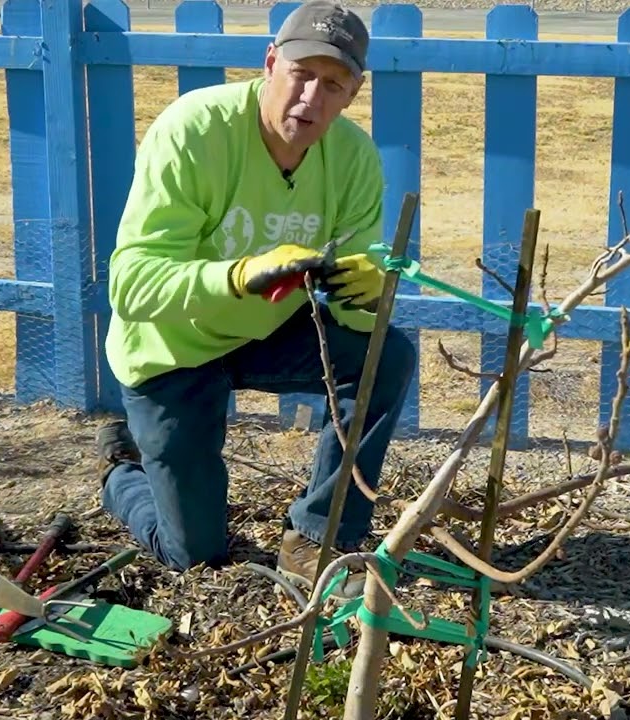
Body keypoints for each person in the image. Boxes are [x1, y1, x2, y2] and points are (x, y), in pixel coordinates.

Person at [94, 0, 417, 599]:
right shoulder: (193, 131)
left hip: (267, 333)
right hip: (171, 348)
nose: (311, 98)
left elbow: (351, 305)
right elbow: (131, 286)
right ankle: (123, 473)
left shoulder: (352, 159)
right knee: (193, 554)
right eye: (301, 74)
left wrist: (369, 292)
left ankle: (320, 536)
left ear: (353, 92)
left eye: (333, 84)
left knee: (386, 355)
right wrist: (238, 275)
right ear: (271, 63)